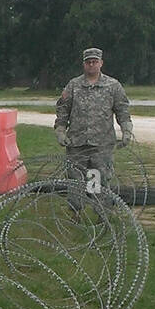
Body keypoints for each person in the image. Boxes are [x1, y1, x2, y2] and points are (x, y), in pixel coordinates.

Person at [54, 47, 133, 206]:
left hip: (101, 145)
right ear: (84, 64)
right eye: (88, 62)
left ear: (101, 63)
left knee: (97, 180)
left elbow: (122, 109)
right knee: (76, 180)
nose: (91, 65)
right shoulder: (73, 85)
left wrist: (126, 130)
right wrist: (60, 131)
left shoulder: (112, 86)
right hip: (77, 143)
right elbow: (63, 110)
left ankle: (99, 213)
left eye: (95, 62)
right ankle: (76, 213)